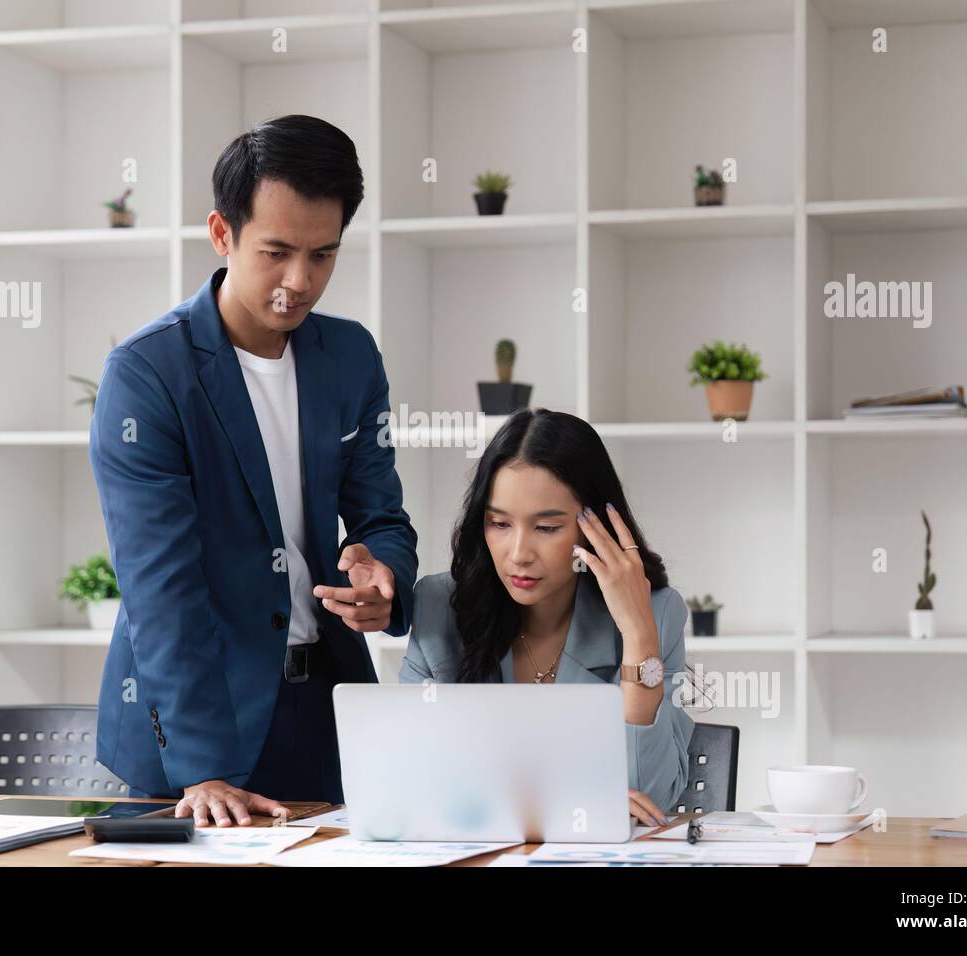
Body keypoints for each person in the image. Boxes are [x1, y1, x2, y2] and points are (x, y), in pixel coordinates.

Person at [90, 115, 417, 826]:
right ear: (221, 234)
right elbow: (161, 588)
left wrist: (385, 581)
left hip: (323, 712)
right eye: (277, 252)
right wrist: (203, 768)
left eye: (323, 255)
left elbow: (381, 516)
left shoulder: (351, 357)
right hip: (191, 733)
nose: (299, 282)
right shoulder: (148, 375)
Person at [399, 408, 693, 824]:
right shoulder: (438, 605)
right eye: (499, 523)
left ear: (596, 530)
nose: (518, 554)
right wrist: (559, 798)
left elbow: (648, 798)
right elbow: (411, 776)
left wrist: (640, 637)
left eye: (547, 528)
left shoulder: (656, 615)